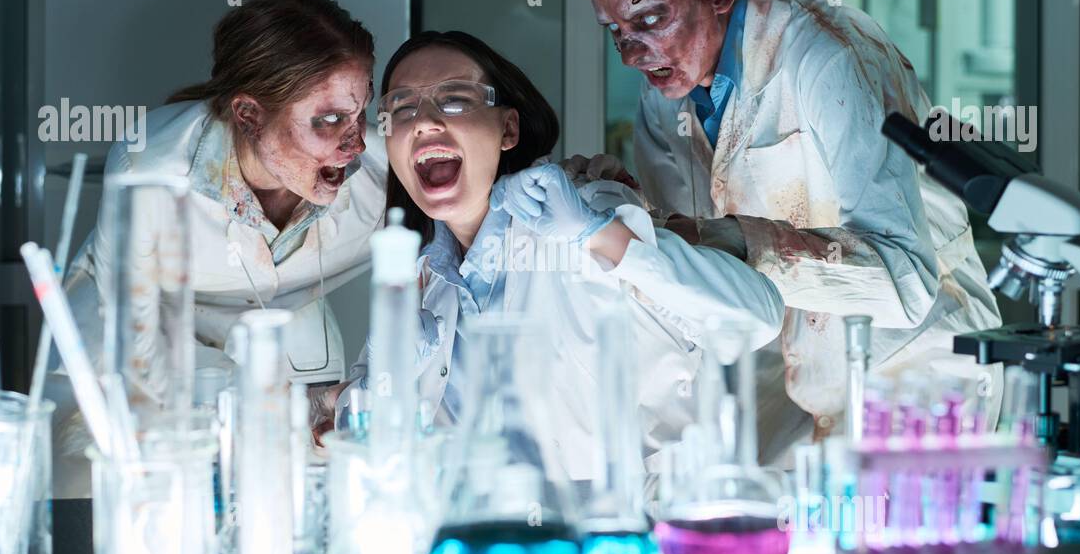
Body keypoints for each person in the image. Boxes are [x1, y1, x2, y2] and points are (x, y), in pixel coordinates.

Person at [555, 0, 1003, 464]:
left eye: (652, 18)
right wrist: (631, 209)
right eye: (616, 30)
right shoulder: (666, 94)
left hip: (922, 379)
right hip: (799, 377)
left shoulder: (830, 55)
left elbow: (906, 281)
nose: (632, 53)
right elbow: (693, 273)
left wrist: (729, 240)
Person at [335, 30, 784, 482]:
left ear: (508, 130)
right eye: (402, 108)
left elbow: (757, 317)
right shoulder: (416, 284)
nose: (423, 122)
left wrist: (601, 234)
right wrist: (385, 383)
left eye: (454, 100)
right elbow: (358, 445)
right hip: (478, 538)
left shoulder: (582, 215)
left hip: (627, 534)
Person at [51, 0, 387, 494]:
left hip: (280, 330)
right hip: (130, 336)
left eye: (359, 113)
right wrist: (268, 416)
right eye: (329, 120)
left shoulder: (382, 175)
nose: (356, 142)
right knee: (123, 489)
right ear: (250, 114)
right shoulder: (152, 168)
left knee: (298, 497)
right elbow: (142, 372)